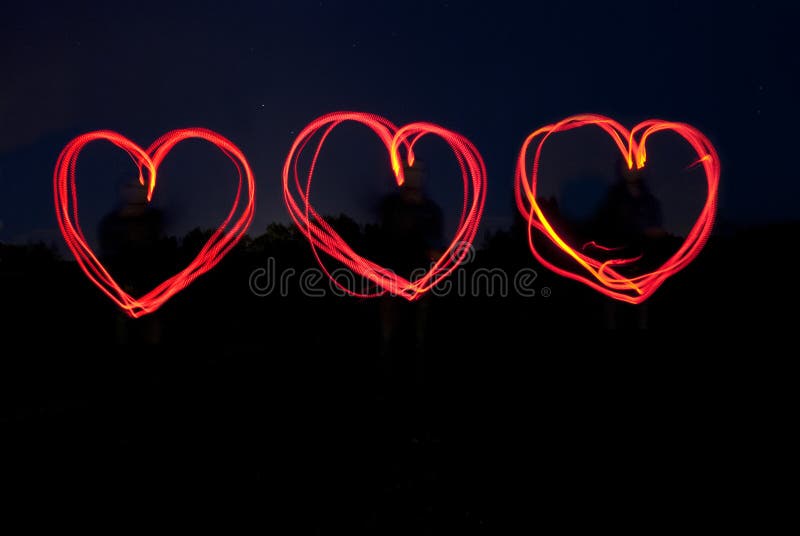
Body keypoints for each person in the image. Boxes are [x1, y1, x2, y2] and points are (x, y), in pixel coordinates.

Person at [375, 159, 443, 387]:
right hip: (392, 271)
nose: (413, 188)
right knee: (389, 318)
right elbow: (382, 236)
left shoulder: (431, 210)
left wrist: (435, 253)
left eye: (417, 180)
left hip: (419, 274)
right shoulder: (391, 206)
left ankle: (417, 360)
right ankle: (386, 361)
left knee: (420, 322)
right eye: (410, 181)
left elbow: (437, 244)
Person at [594, 158, 666, 329]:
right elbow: (604, 224)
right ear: (620, 168)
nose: (631, 170)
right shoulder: (612, 198)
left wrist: (654, 233)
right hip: (616, 260)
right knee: (613, 309)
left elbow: (656, 227)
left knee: (641, 309)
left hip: (642, 261)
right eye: (626, 165)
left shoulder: (649, 200)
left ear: (642, 169)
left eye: (634, 166)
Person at [98, 179, 167, 345]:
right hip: (123, 283)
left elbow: (157, 247)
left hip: (148, 282)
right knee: (124, 323)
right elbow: (107, 254)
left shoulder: (152, 218)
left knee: (149, 323)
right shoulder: (112, 223)